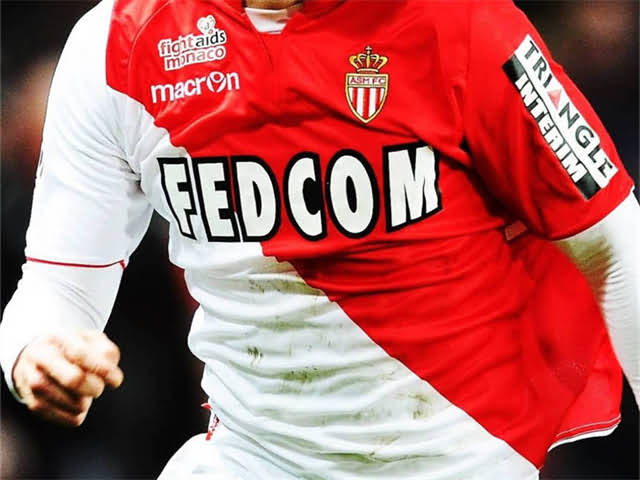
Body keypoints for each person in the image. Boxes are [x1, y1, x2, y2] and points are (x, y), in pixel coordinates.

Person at [1, 0, 638, 478]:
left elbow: (612, 242)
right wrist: (36, 348)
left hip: (457, 457)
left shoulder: (460, 21)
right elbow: (58, 285)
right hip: (252, 456)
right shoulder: (118, 45)